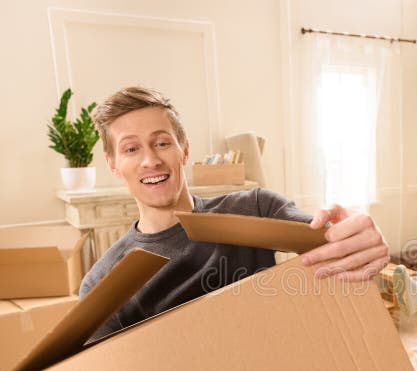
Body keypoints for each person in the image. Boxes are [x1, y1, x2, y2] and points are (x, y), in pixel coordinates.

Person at [80, 86, 389, 340]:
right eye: (131, 149)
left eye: (162, 143)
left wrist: (358, 238)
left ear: (184, 149)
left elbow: (330, 242)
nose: (150, 160)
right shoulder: (102, 285)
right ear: (113, 165)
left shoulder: (252, 209)